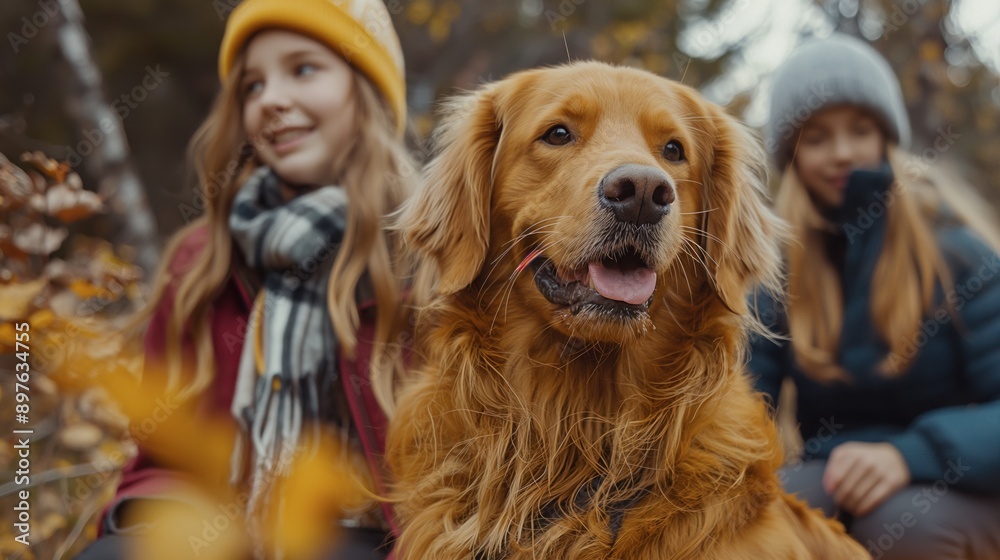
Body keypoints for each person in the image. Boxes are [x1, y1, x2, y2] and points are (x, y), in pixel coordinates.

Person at [76, 0, 414, 558]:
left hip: (369, 537)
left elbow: (459, 462)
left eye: (303, 69)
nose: (272, 99)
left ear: (368, 91)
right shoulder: (201, 262)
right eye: (253, 85)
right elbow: (162, 457)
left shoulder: (423, 258)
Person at [750, 33, 1000, 560]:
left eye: (860, 131)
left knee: (909, 527)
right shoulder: (777, 271)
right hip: (835, 471)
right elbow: (746, 402)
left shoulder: (958, 257)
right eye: (817, 139)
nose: (842, 153)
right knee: (779, 510)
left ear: (887, 138)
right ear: (791, 158)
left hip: (968, 482)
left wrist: (910, 454)